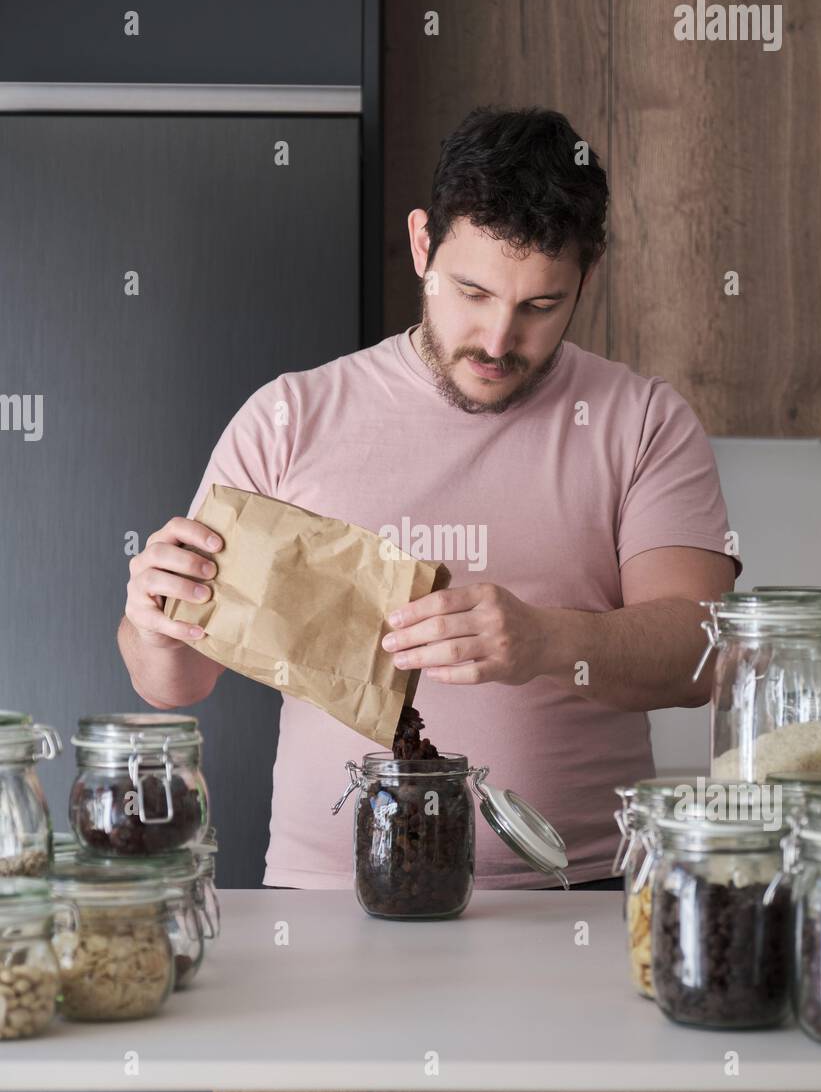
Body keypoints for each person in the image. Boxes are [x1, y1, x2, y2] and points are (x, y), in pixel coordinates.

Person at [118, 105, 740, 896]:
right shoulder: (288, 418)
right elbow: (175, 683)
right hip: (326, 901)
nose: (496, 338)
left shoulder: (644, 421)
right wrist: (153, 622)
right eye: (472, 291)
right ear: (422, 245)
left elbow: (703, 652)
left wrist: (545, 642)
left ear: (588, 274)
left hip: (570, 899)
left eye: (541, 306)